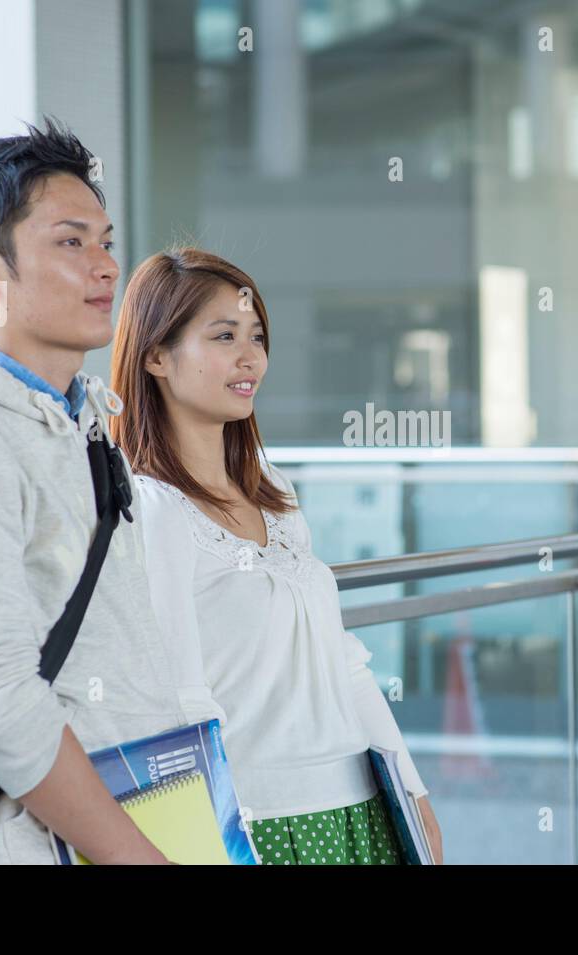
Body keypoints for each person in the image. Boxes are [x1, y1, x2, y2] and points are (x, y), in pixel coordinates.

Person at [0, 119, 223, 864]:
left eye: (106, 239)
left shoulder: (79, 420)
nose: (106, 266)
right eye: (70, 241)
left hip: (123, 824)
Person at [109, 247, 444, 865]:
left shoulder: (275, 489)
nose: (251, 358)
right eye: (225, 336)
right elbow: (182, 700)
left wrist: (415, 794)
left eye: (257, 337)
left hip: (362, 808)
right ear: (155, 355)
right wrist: (218, 842)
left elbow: (344, 662)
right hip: (259, 828)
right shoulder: (151, 508)